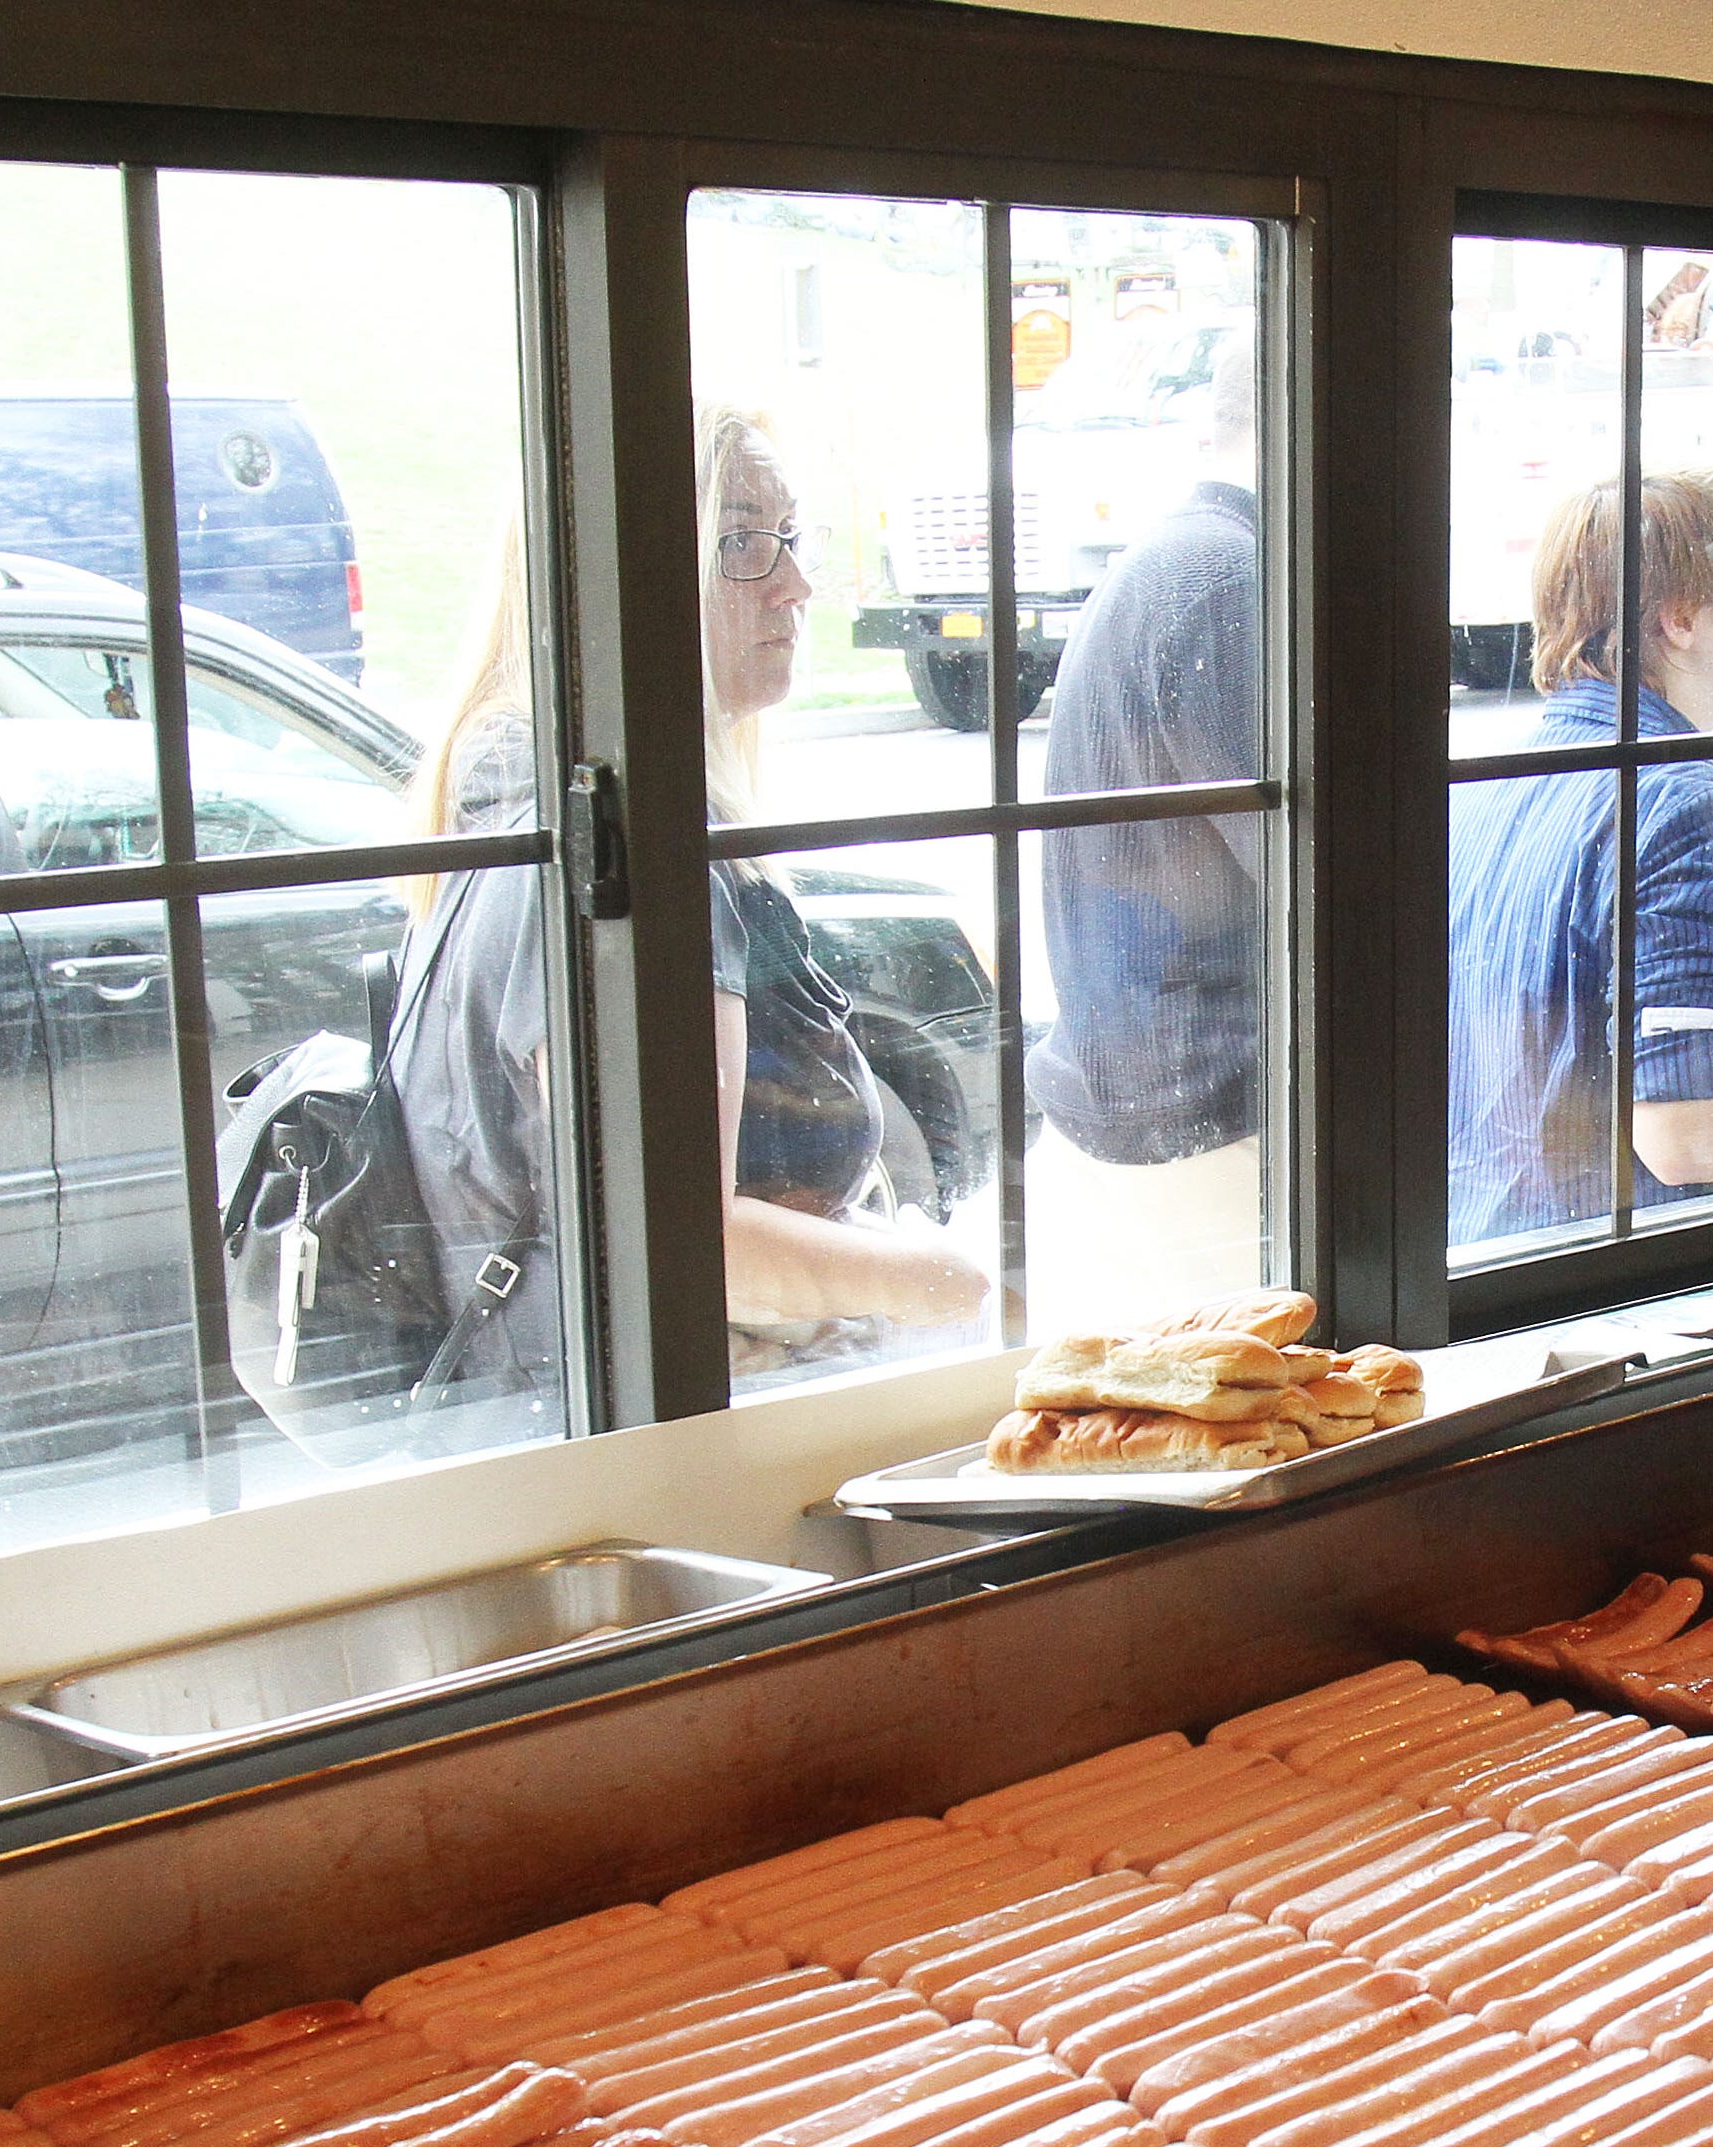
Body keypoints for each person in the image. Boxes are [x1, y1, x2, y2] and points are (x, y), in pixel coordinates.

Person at [395, 406, 985, 1424]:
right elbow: (680, 1239)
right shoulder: (642, 857)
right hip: (678, 1441)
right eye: (740, 542)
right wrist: (952, 1288)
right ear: (617, 581)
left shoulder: (531, 812)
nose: (794, 584)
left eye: (791, 538)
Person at [1445, 468, 1713, 1247]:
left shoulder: (1481, 794)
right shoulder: (1693, 811)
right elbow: (1689, 1133)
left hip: (1483, 1266)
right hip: (1626, 1309)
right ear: (1680, 618)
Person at [1029, 359, 1269, 1325]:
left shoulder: (1184, 559)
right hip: (1200, 1136)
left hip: (1143, 1118)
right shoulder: (1227, 579)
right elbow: (1328, 883)